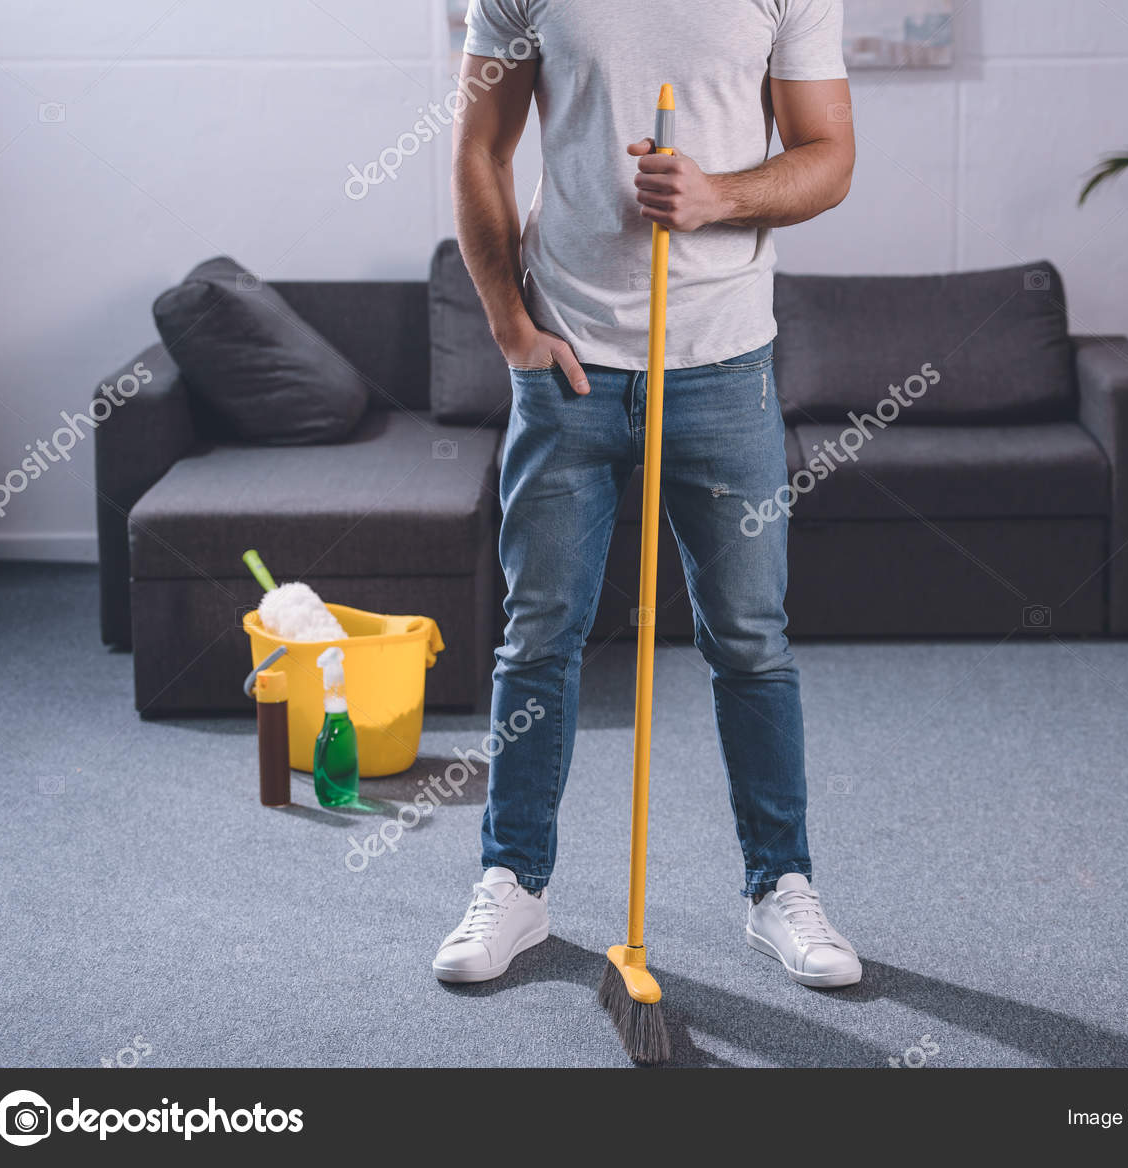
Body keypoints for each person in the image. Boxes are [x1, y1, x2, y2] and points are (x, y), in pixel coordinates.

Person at [433, 0, 862, 990]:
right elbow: (477, 154)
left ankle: (779, 887)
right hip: (568, 366)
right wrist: (510, 330)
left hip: (723, 366)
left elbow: (828, 155)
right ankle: (514, 880)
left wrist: (717, 196)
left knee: (750, 639)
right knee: (538, 636)